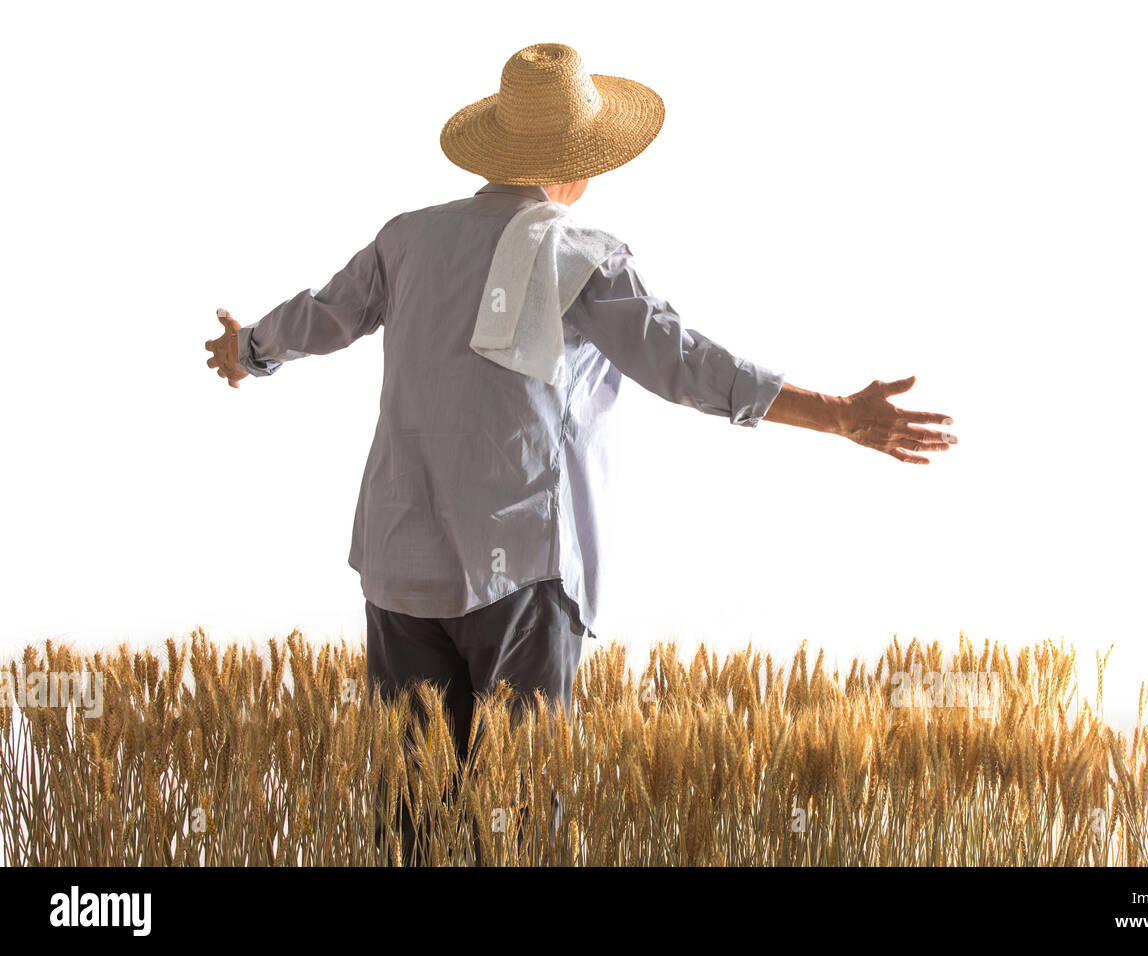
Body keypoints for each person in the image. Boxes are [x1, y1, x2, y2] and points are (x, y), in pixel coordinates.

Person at [203, 42, 956, 864]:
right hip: (520, 575)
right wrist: (838, 414)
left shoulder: (407, 239)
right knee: (521, 827)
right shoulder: (582, 254)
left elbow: (322, 315)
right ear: (582, 164)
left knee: (409, 825)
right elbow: (689, 364)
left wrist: (248, 350)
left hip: (399, 567)